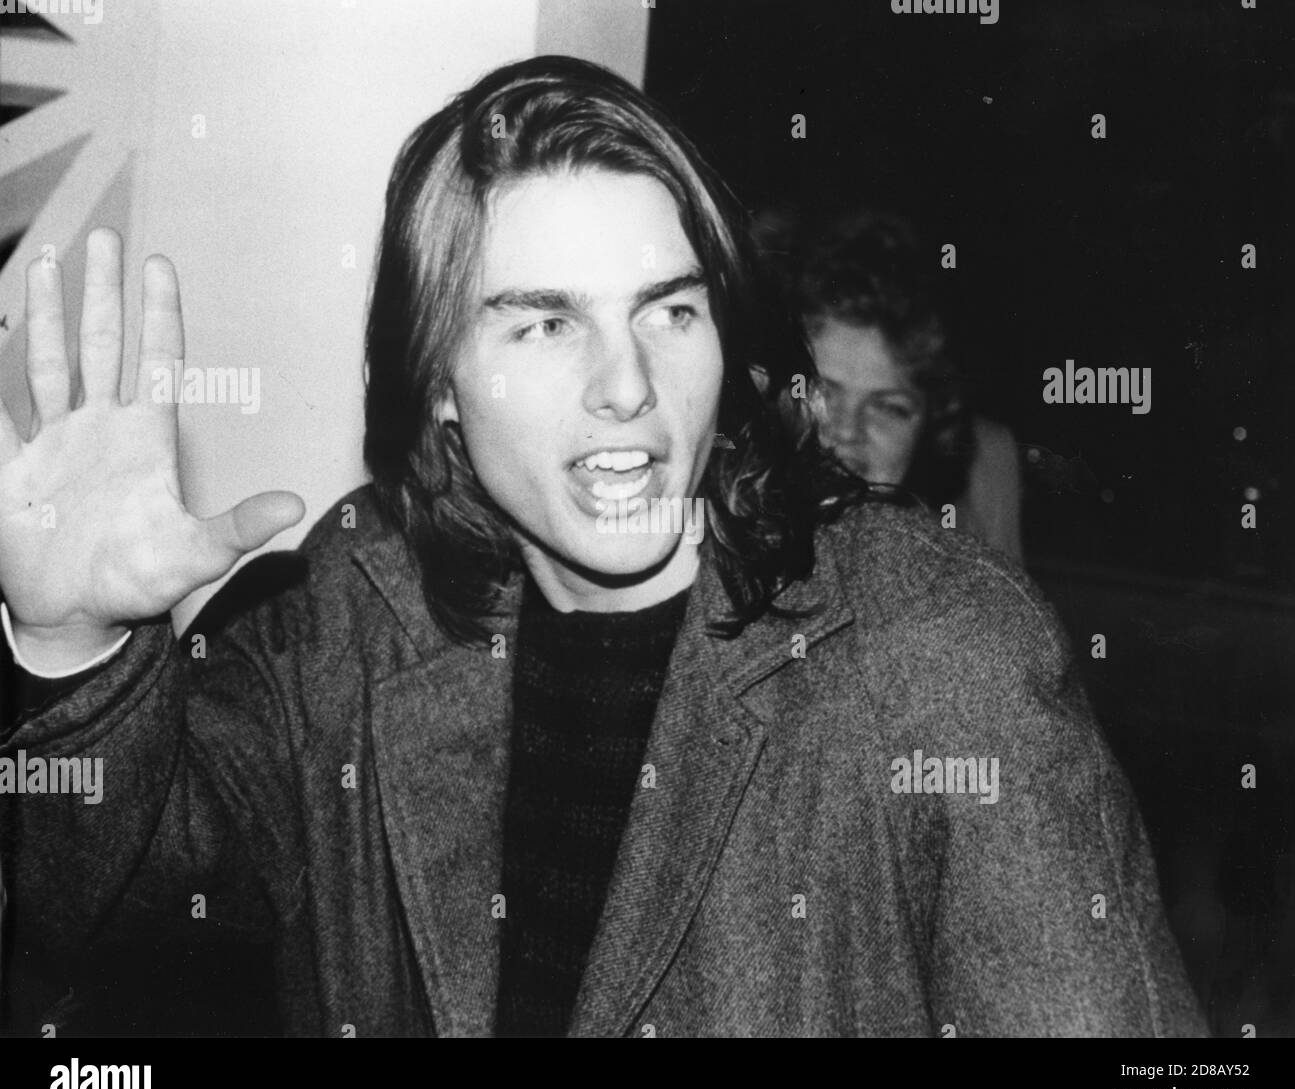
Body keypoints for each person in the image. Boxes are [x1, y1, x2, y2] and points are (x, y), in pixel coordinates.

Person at [0, 56, 1202, 1037]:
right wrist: (72, 641)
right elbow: (102, 910)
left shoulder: (938, 651)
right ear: (438, 386)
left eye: (669, 312)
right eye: (543, 324)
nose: (628, 385)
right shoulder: (358, 605)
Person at [755, 207, 1025, 562]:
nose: (848, 432)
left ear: (931, 425)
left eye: (888, 407)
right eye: (821, 392)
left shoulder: (954, 572)